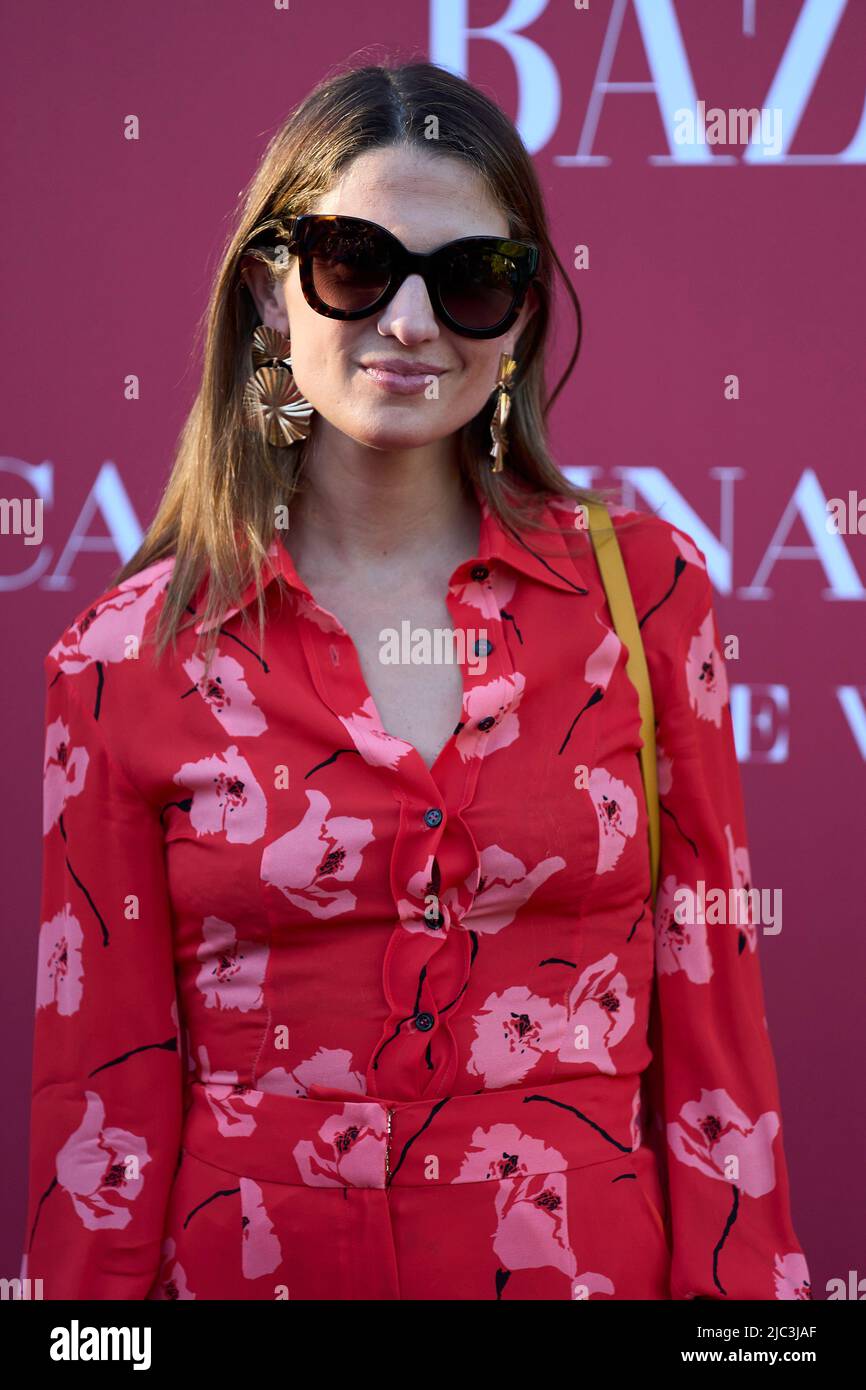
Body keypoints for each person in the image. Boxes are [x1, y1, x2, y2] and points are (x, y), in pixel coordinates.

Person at [21, 59, 811, 1301]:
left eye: (469, 278)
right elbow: (97, 1112)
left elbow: (716, 1046)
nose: (407, 322)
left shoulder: (645, 597)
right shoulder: (123, 656)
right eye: (352, 262)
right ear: (269, 293)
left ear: (523, 311)